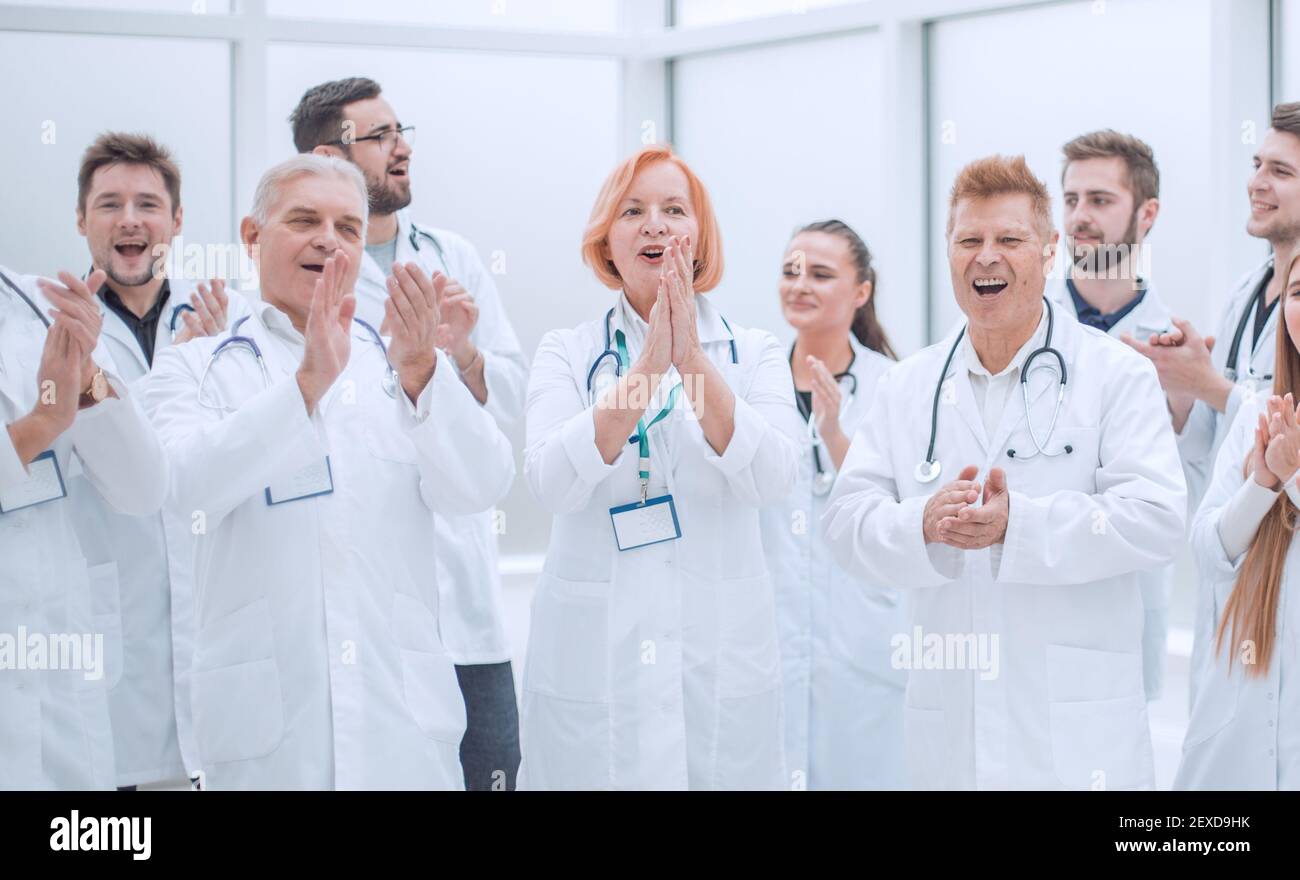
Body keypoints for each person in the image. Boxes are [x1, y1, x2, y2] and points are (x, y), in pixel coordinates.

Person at [140, 154, 515, 789]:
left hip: (402, 728)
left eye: (347, 227)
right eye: (304, 220)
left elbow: (483, 485)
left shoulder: (403, 363)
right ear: (252, 238)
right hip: (270, 737)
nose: (328, 240)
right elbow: (181, 488)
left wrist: (426, 373)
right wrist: (305, 388)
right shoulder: (195, 366)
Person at [822, 155, 1187, 790]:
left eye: (1009, 240)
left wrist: (1020, 524)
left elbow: (1158, 519)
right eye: (969, 240)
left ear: (1048, 252)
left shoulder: (1115, 374)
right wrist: (922, 524)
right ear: (949, 251)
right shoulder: (910, 387)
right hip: (951, 726)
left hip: (1076, 736)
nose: (986, 257)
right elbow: (845, 522)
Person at [520, 144, 802, 790]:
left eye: (674, 210)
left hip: (719, 668)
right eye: (632, 211)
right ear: (605, 242)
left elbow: (773, 477)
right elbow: (551, 482)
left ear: (699, 239)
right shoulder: (567, 353)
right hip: (597, 670)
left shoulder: (752, 352)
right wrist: (647, 370)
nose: (654, 225)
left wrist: (693, 364)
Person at [291, 77, 528, 791]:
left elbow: (511, 398)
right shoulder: (302, 278)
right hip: (366, 605)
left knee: (493, 771)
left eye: (403, 133)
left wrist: (459, 352)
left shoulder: (453, 255)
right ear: (330, 155)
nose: (403, 150)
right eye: (383, 137)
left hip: (466, 602)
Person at [50, 132, 250, 790]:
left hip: (223, 633)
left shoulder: (232, 321)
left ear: (177, 220)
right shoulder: (46, 330)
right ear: (82, 220)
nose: (130, 219)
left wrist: (210, 366)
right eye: (109, 204)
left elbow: (252, 458)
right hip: (110, 634)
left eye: (147, 203)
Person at [1125, 101, 1300, 707]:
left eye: (1280, 171)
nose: (1256, 182)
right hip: (1232, 560)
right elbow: (1208, 445)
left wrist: (1214, 388)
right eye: (1257, 164)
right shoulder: (1243, 295)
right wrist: (1179, 384)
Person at [1, 263, 167, 790]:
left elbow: (140, 490)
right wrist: (42, 423)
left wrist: (89, 380)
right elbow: (43, 423)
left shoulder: (40, 307)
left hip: (61, 699)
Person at [759, 219, 907, 790]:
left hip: (862, 634)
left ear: (861, 291)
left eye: (821, 274)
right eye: (791, 271)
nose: (800, 285)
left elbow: (902, 514)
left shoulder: (895, 386)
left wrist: (836, 434)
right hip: (771, 628)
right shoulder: (753, 380)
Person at [1045, 130, 1181, 701]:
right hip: (1037, 580)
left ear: (1146, 213)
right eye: (1072, 199)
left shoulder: (1175, 346)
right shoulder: (1026, 326)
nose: (1080, 217)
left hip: (1128, 590)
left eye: (1100, 201)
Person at [1176, 250, 1300, 791]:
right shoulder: (1256, 412)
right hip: (1238, 720)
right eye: (1297, 293)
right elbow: (1208, 552)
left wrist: (1290, 476)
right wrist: (1262, 484)